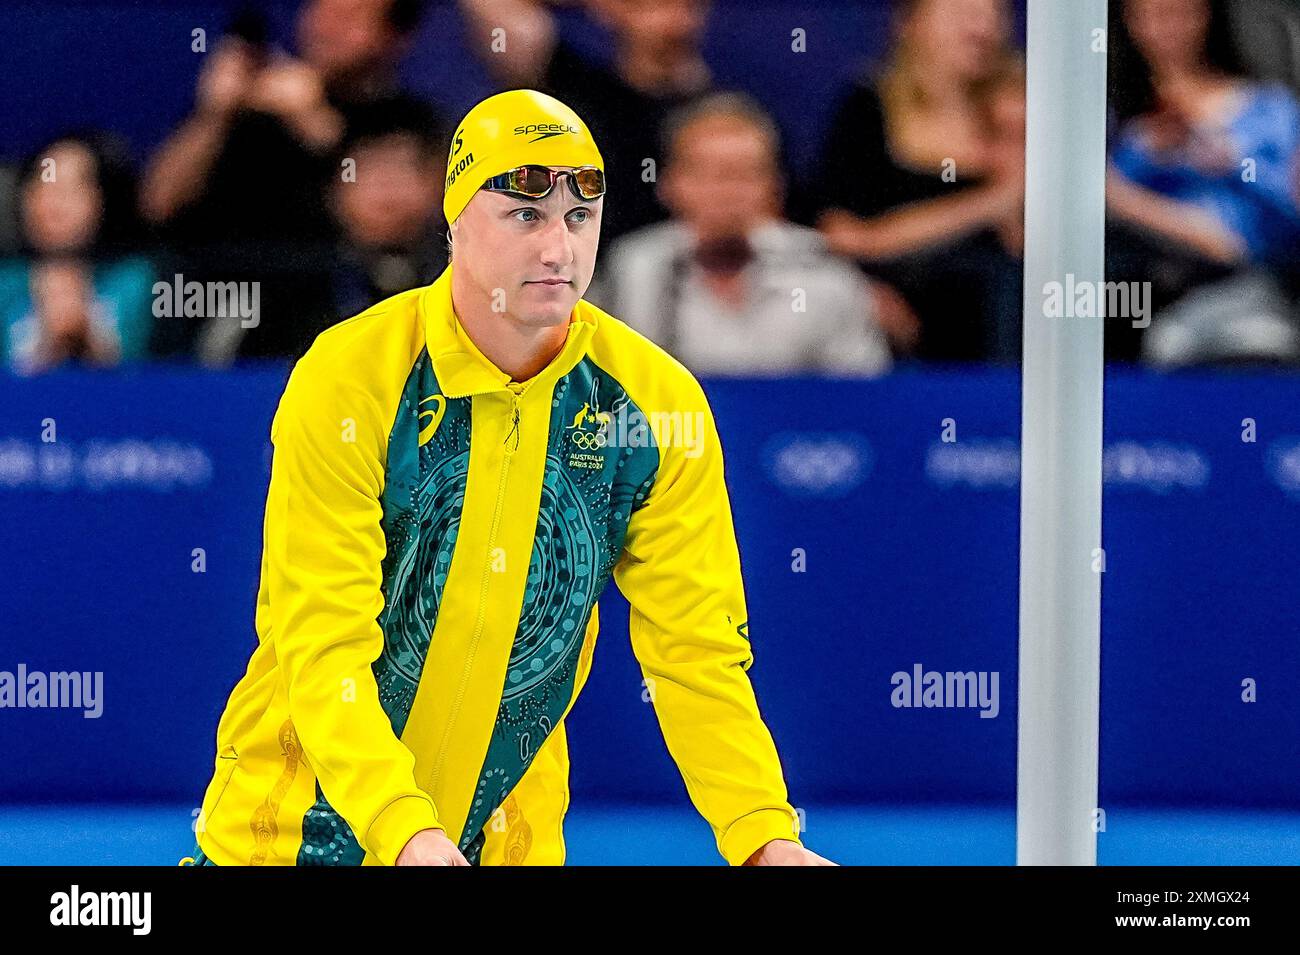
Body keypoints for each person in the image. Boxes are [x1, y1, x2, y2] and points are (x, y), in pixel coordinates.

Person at [184, 89, 831, 867]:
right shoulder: (353, 378)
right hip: (289, 839)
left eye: (579, 217)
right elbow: (322, 642)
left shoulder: (655, 407)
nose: (559, 248)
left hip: (504, 844)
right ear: (455, 220)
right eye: (525, 214)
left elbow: (696, 653)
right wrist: (406, 830)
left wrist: (764, 836)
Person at [141, 0, 439, 362]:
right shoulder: (250, 113)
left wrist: (313, 121)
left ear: (394, 37)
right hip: (240, 315)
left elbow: (383, 216)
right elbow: (159, 203)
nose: (326, 28)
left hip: (348, 308)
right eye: (320, 11)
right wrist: (213, 115)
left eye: (348, 18)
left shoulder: (406, 120)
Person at [593, 91, 903, 375]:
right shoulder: (633, 269)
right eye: (709, 174)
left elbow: (862, 398)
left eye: (745, 174)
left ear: (776, 188)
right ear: (669, 184)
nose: (727, 192)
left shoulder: (824, 273)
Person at [811, 0, 1024, 362]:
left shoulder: (1021, 112)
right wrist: (986, 204)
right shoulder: (866, 111)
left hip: (1008, 328)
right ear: (910, 23)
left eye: (994, 15)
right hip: (901, 330)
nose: (982, 30)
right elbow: (844, 238)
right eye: (963, 14)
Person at [457, 0, 713, 243]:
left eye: (688, 5)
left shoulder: (713, 109)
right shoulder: (579, 89)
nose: (675, 21)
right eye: (653, 6)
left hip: (678, 272)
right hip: (590, 268)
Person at [0, 133, 154, 374]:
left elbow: (143, 379)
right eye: (42, 184)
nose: (54, 201)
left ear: (103, 199)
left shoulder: (136, 280)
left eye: (74, 187)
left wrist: (84, 339)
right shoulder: (5, 284)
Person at [329, 94, 449, 321]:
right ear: (335, 187)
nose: (386, 183)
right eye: (368, 166)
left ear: (438, 179)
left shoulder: (469, 283)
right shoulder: (293, 282)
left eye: (403, 165)